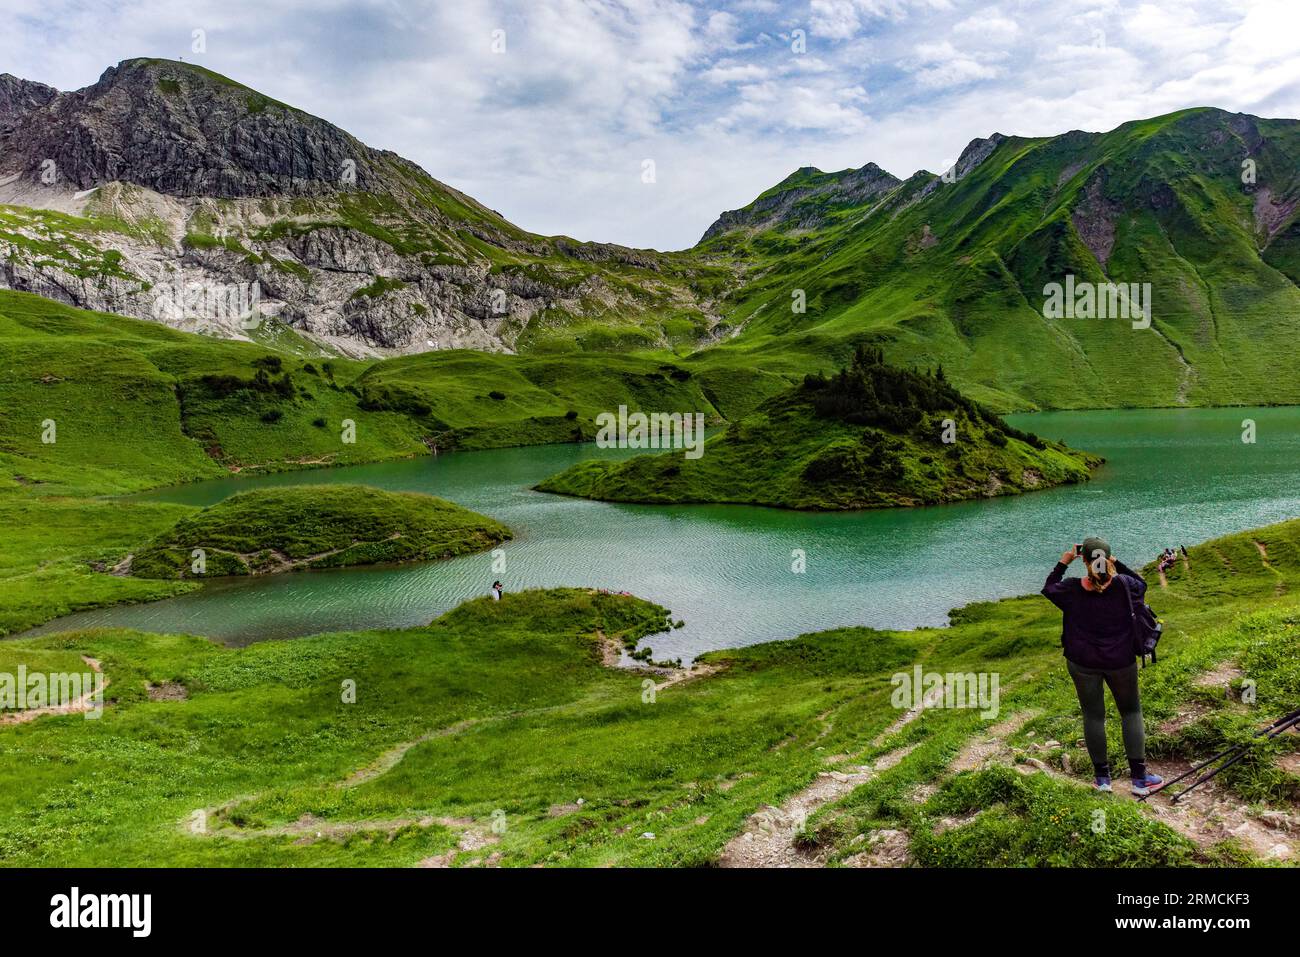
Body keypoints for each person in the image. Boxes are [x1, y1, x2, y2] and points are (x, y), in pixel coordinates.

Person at [1041, 536, 1164, 796]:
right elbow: (1142, 583)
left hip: (1082, 662)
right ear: (1108, 559)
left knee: (1093, 715)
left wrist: (1063, 562)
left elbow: (1049, 587)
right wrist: (1115, 563)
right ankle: (1140, 780)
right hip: (1120, 660)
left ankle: (1102, 780)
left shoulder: (1071, 589)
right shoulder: (1125, 585)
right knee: (1130, 712)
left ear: (1083, 560)